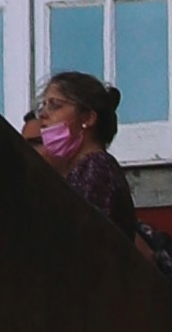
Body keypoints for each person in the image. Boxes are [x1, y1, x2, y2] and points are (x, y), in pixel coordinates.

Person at [24, 70, 145, 236]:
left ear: (88, 118)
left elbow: (81, 241)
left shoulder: (96, 168)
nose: (44, 114)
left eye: (55, 106)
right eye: (43, 106)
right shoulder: (82, 169)